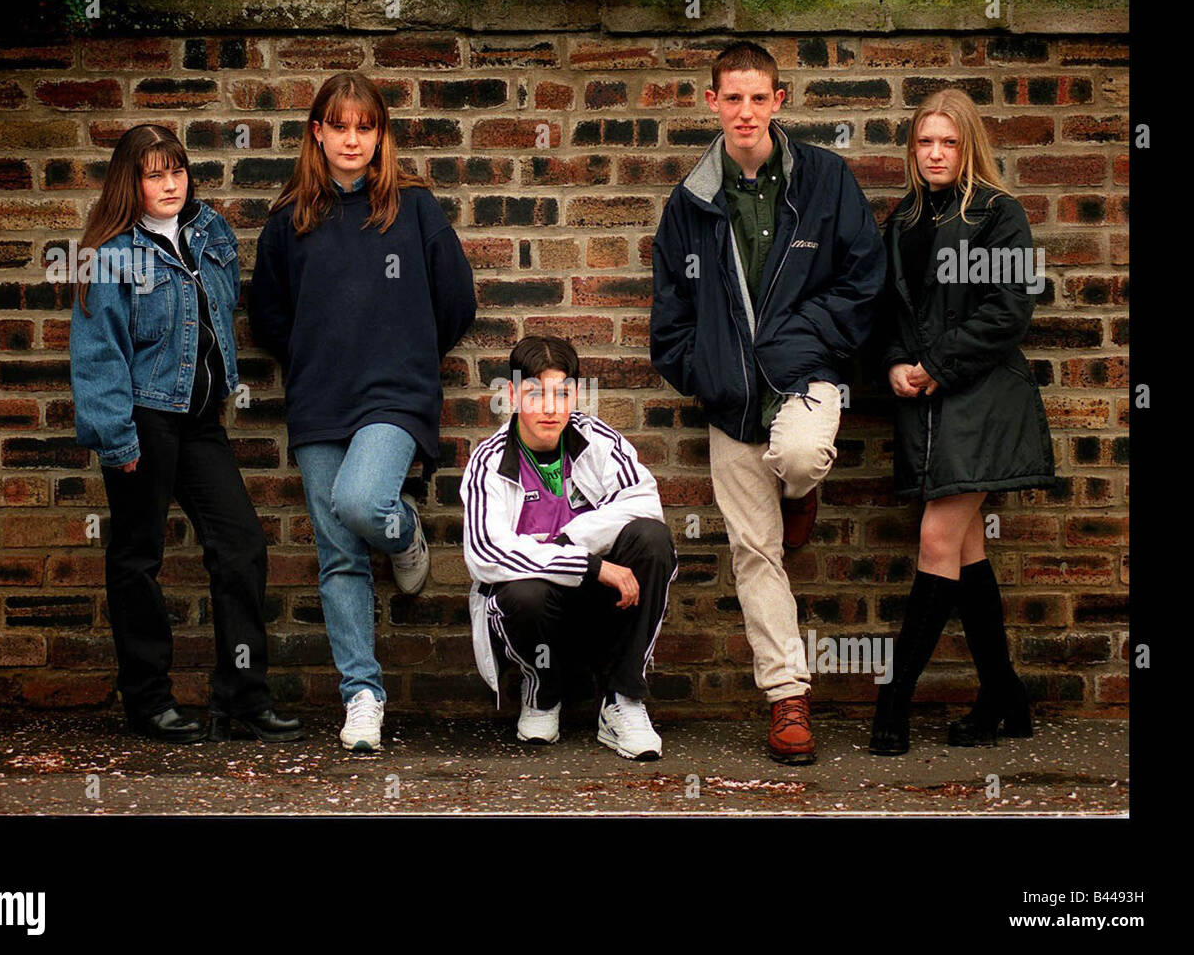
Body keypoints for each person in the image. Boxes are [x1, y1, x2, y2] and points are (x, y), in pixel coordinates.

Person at [650, 41, 886, 764]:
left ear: (779, 100)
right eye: (733, 97)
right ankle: (788, 699)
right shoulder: (691, 202)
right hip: (730, 401)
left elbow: (864, 282)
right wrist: (712, 370)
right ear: (712, 101)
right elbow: (669, 322)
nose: (745, 111)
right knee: (755, 553)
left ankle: (799, 491)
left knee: (803, 452)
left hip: (806, 376)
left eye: (759, 97)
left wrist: (797, 336)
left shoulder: (824, 180)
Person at [250, 73, 476, 753]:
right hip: (320, 402)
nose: (352, 139)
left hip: (394, 398)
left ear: (381, 135)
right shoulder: (288, 221)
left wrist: (404, 352)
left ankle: (404, 530)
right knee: (338, 556)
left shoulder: (413, 209)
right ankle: (362, 694)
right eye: (338, 126)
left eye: (365, 127)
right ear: (316, 131)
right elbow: (268, 318)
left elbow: (456, 301)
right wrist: (321, 357)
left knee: (361, 502)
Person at [70, 124, 301, 744]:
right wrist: (117, 441)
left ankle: (243, 700)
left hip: (198, 421)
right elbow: (99, 355)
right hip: (142, 419)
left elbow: (221, 316)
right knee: (138, 559)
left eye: (177, 170)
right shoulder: (112, 254)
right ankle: (148, 702)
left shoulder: (210, 232)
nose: (170, 184)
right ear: (130, 183)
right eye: (154, 174)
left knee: (242, 545)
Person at [869, 88, 1055, 755]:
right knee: (967, 548)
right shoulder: (905, 220)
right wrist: (895, 361)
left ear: (968, 144)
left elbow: (1008, 312)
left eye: (948, 141)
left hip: (983, 402)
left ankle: (893, 701)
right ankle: (1005, 700)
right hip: (930, 407)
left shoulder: (998, 215)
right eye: (925, 142)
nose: (936, 153)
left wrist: (935, 366)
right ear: (912, 149)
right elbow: (890, 315)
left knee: (936, 541)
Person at [459, 336, 677, 760]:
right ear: (510, 395)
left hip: (602, 610)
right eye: (535, 394)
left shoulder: (595, 440)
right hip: (538, 614)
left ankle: (622, 700)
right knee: (524, 590)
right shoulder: (489, 461)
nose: (550, 407)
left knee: (651, 538)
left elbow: (645, 502)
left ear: (576, 395)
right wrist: (591, 566)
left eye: (561, 393)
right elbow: (487, 553)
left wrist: (568, 541)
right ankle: (542, 691)